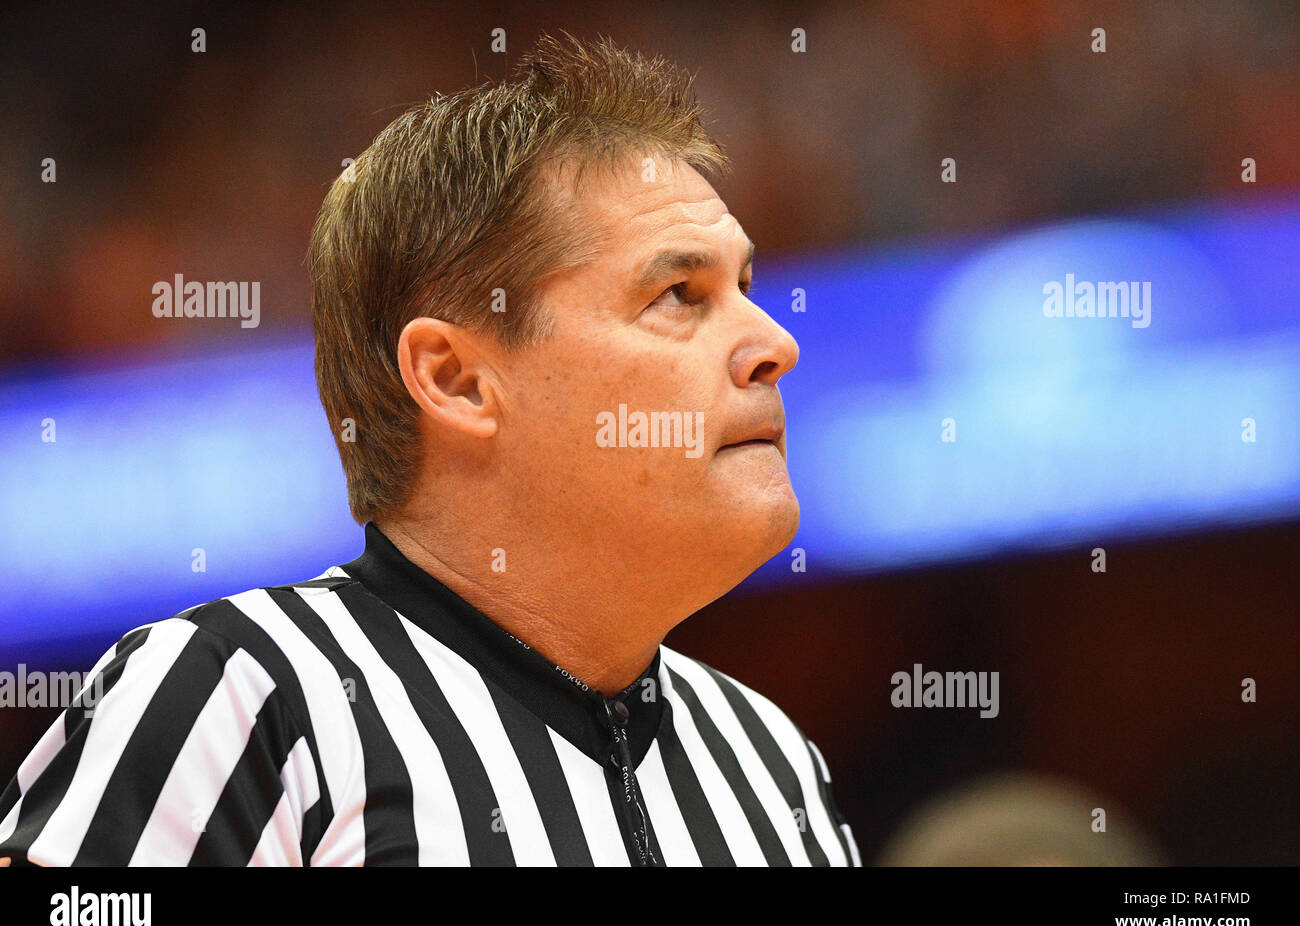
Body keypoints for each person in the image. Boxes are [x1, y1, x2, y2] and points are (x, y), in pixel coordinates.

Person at [0, 31, 858, 866]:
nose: (774, 340)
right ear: (454, 380)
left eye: (743, 284)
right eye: (678, 292)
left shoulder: (775, 764)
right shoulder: (239, 695)